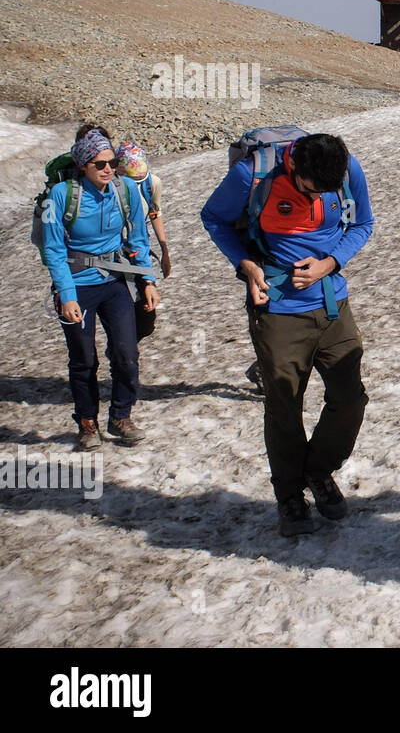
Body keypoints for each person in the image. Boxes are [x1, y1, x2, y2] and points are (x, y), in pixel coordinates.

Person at [200, 133, 374, 537]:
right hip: (276, 309)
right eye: (310, 191)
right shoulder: (252, 175)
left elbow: (363, 223)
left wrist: (330, 262)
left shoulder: (347, 170)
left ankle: (318, 470)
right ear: (294, 167)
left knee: (350, 398)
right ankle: (290, 496)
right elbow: (215, 218)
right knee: (284, 406)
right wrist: (245, 263)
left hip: (333, 304)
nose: (316, 199)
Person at [41, 128, 158, 451]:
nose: (108, 169)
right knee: (84, 359)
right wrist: (66, 296)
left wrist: (148, 280)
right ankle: (86, 421)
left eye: (112, 162)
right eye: (99, 164)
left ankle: (121, 417)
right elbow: (53, 249)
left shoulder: (126, 191)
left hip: (114, 281)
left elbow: (138, 239)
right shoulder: (62, 195)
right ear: (83, 166)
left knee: (126, 354)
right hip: (76, 285)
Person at [115, 141, 171, 279]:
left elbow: (155, 213)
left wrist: (165, 253)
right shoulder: (111, 188)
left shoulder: (152, 183)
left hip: (139, 243)